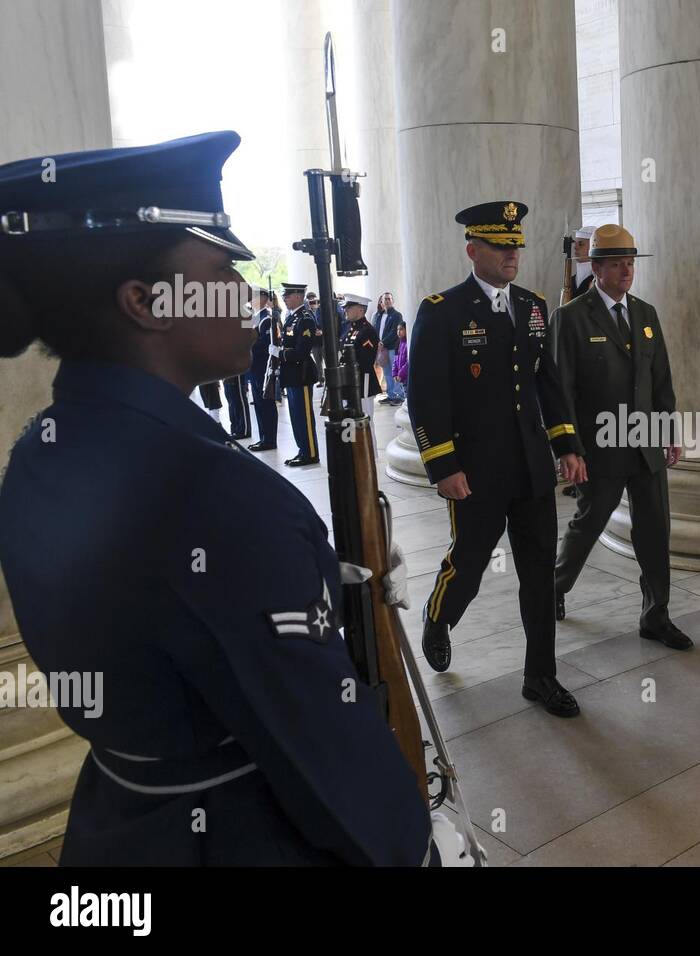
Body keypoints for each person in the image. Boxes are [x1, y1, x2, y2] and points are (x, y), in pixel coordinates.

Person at [0, 131, 433, 865]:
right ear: (144, 302)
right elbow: (327, 750)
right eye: (222, 267)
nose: (245, 291)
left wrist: (319, 573)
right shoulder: (209, 492)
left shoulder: (44, 449)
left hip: (123, 824)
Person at [407, 200, 586, 718]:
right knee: (469, 564)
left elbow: (545, 382)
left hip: (530, 467)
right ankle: (439, 617)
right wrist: (443, 466)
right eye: (502, 247)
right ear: (474, 250)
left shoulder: (532, 306)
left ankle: (541, 676)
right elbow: (427, 396)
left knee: (537, 573)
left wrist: (567, 445)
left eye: (516, 247)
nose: (513, 255)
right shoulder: (441, 311)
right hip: (475, 470)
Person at [550, 224, 692, 649]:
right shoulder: (571, 317)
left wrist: (669, 429)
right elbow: (561, 390)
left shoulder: (645, 314)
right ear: (596, 268)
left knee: (654, 529)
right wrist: (569, 449)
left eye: (630, 263)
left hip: (645, 440)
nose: (627, 271)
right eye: (617, 264)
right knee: (589, 522)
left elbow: (660, 378)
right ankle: (554, 587)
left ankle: (656, 615)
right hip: (600, 444)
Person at [278, 281, 321, 466]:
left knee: (304, 416)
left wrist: (280, 353)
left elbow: (301, 352)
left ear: (297, 296)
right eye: (284, 296)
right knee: (296, 416)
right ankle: (302, 450)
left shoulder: (305, 318)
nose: (284, 299)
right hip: (291, 374)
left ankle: (310, 453)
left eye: (287, 296)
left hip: (301, 373)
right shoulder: (291, 318)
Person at [247, 287, 280, 451]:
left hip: (263, 367)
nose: (250, 300)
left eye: (253, 297)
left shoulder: (266, 319)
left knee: (266, 403)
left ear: (262, 298)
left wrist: (246, 348)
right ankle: (263, 437)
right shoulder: (252, 318)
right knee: (259, 404)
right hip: (253, 368)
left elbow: (265, 344)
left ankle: (269, 439)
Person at [340, 292, 381, 418]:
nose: (345, 310)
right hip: (348, 381)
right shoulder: (347, 327)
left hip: (362, 381)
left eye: (349, 307)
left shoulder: (367, 330)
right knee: (350, 422)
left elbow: (366, 361)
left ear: (361, 309)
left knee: (365, 421)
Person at [375, 292, 405, 406]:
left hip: (392, 348)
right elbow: (376, 330)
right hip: (382, 349)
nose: (387, 301)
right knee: (387, 372)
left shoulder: (397, 315)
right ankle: (391, 395)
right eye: (385, 299)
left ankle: (399, 396)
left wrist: (383, 342)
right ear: (382, 302)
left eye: (389, 299)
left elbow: (395, 332)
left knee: (395, 372)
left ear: (392, 301)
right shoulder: (379, 315)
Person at [392, 320, 409, 394]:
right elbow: (395, 360)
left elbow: (408, 362)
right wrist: (394, 374)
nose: (398, 331)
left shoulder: (408, 343)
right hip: (401, 377)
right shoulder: (399, 343)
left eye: (401, 329)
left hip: (406, 376)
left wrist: (401, 374)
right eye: (397, 329)